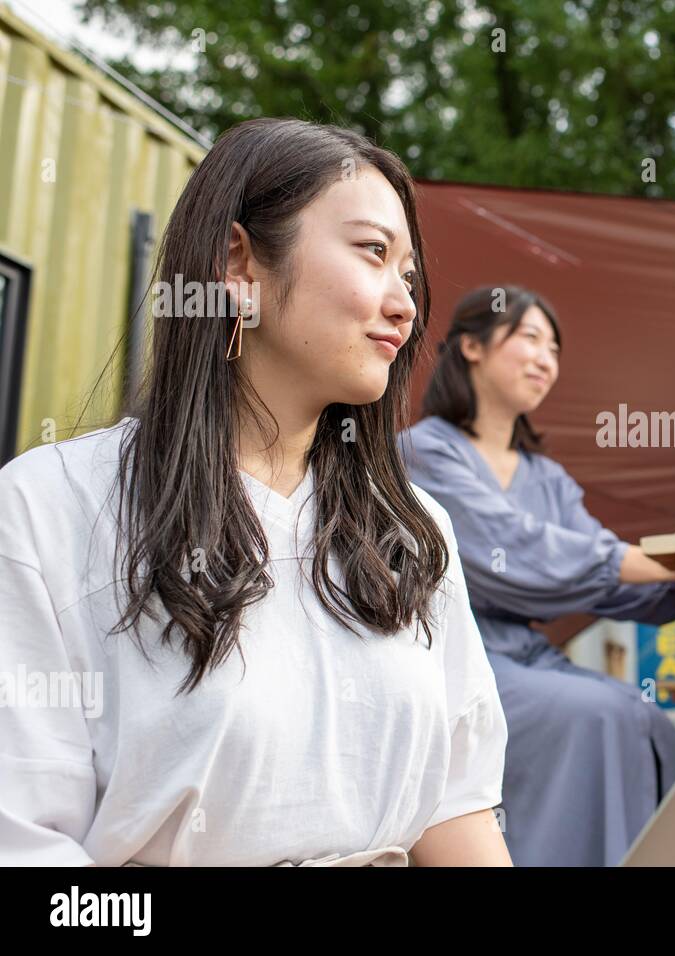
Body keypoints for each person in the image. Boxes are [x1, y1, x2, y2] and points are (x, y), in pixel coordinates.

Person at [0, 118, 510, 866]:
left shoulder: (415, 531)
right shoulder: (50, 507)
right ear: (238, 263)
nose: (406, 304)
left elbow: (454, 811)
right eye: (374, 252)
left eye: (409, 277)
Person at [402, 285, 675, 866]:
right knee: (595, 713)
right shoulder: (424, 452)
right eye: (529, 337)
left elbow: (598, 567)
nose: (546, 358)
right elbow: (513, 549)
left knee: (645, 717)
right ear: (471, 346)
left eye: (554, 347)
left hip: (527, 656)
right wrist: (665, 556)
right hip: (454, 660)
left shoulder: (546, 477)